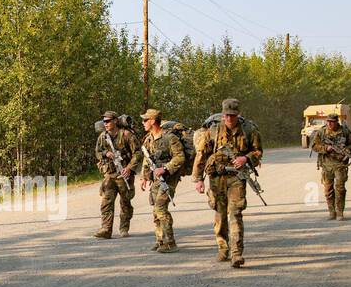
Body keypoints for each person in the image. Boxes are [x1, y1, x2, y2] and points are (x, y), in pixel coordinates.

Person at [192, 98, 263, 266]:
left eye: (233, 115)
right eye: (226, 115)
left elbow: (258, 151)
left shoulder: (249, 130)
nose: (229, 119)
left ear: (238, 114)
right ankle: (223, 248)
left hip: (237, 177)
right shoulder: (213, 131)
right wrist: (198, 179)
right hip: (217, 177)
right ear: (223, 115)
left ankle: (236, 253)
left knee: (235, 213)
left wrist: (245, 158)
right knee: (220, 214)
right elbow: (201, 154)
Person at [138, 108, 186, 253]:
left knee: (160, 207)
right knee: (155, 209)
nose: (143, 123)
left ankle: (170, 242)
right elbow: (147, 160)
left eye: (145, 120)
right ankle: (160, 240)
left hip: (169, 178)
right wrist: (144, 177)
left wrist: (165, 168)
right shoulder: (149, 139)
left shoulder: (169, 137)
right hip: (156, 179)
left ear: (153, 121)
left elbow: (180, 157)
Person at [93, 110, 138, 238]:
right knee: (106, 202)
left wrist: (129, 168)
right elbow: (97, 152)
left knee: (125, 202)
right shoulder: (103, 136)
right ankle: (106, 229)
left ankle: (124, 228)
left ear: (115, 121)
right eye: (104, 121)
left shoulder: (126, 135)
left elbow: (138, 153)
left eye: (108, 121)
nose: (105, 124)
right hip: (110, 174)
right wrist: (106, 154)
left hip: (124, 174)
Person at [313, 112, 351, 220]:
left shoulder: (345, 132)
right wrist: (325, 148)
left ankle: (339, 212)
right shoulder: (322, 132)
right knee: (328, 190)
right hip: (326, 164)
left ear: (336, 122)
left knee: (340, 188)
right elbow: (314, 146)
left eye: (332, 122)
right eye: (328, 122)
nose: (329, 124)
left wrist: (348, 149)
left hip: (340, 164)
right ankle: (331, 212)